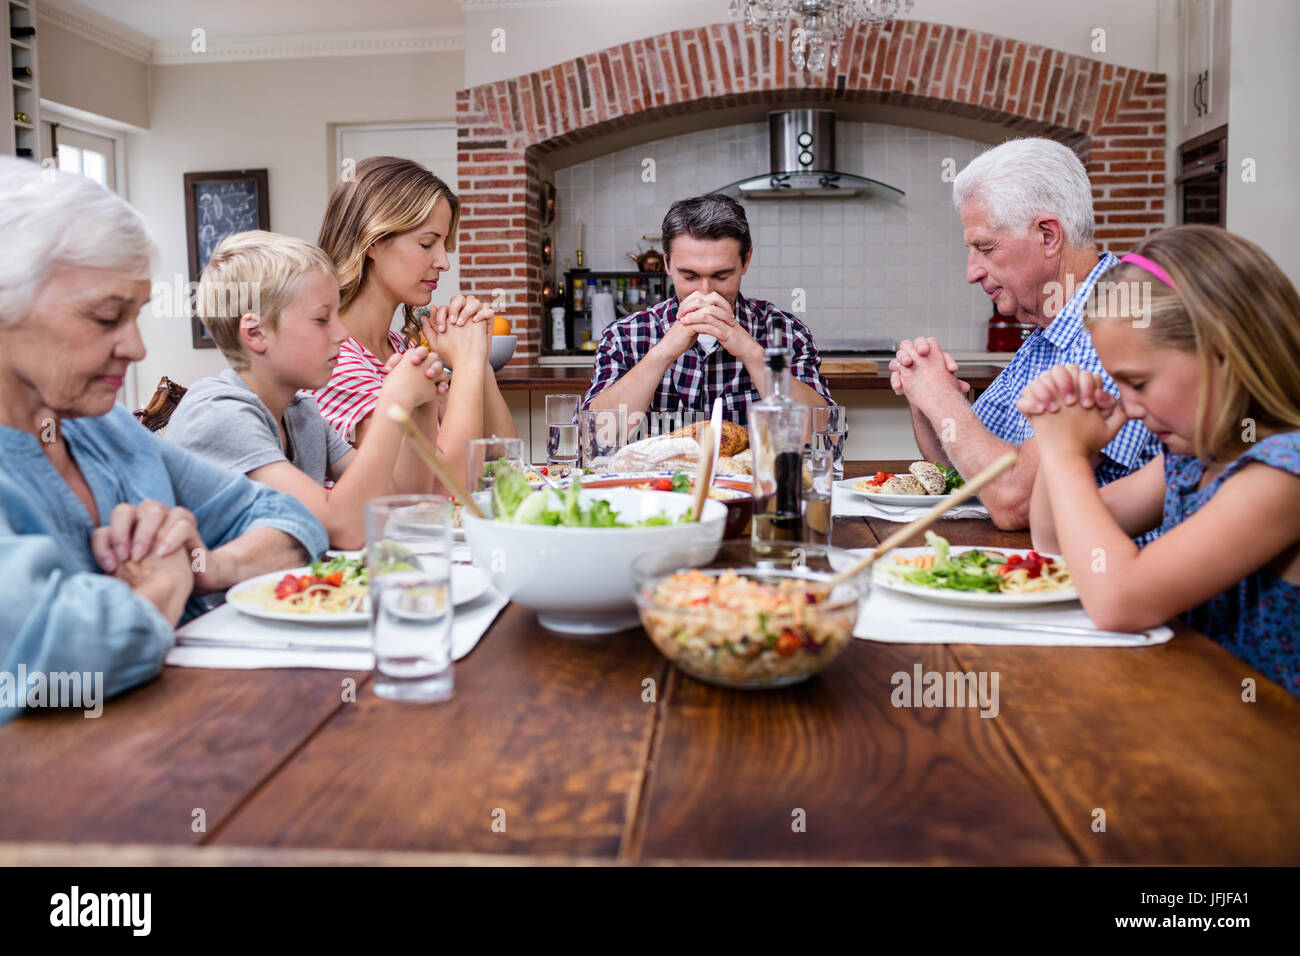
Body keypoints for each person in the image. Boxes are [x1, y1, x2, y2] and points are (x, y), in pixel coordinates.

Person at [0, 158, 327, 721]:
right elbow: (51, 649)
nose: (137, 348)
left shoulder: (106, 429)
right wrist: (166, 581)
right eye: (107, 318)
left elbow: (291, 519)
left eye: (137, 316)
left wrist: (205, 564)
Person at [1020, 225, 1300, 695]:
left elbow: (1120, 601)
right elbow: (1055, 545)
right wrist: (1067, 447)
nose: (1127, 407)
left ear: (1222, 353)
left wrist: (1065, 454)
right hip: (1194, 710)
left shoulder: (1282, 475)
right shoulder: (1190, 462)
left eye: (1139, 383)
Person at [889, 138, 1161, 530]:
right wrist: (924, 395)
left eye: (985, 248)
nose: (972, 271)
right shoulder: (1046, 324)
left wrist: (941, 398)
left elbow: (1014, 501)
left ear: (1048, 235)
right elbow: (960, 473)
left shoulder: (1121, 324)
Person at [166, 231, 446, 549]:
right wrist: (393, 403)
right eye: (321, 319)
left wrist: (421, 404)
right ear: (256, 333)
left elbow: (399, 506)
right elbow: (346, 530)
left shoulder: (301, 412)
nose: (341, 333)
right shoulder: (218, 414)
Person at [314, 156, 516, 494]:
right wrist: (464, 365)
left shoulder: (400, 348)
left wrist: (477, 357)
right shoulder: (333, 362)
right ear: (373, 241)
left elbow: (503, 461)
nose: (444, 262)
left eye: (444, 245)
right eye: (427, 243)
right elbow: (441, 489)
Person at [583, 194, 834, 425]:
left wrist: (751, 352)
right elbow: (594, 436)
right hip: (657, 476)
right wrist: (663, 353)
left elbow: (822, 432)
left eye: (722, 275)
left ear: (745, 261)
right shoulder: (625, 336)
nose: (705, 292)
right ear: (667, 263)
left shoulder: (787, 333)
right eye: (689, 276)